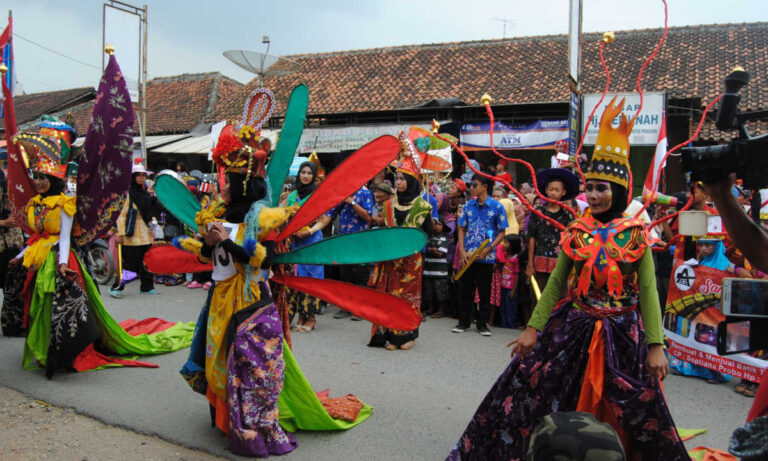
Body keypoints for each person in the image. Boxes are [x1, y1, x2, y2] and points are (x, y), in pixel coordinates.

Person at [448, 97, 689, 460]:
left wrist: (657, 345)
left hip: (624, 333)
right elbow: (557, 283)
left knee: (632, 410)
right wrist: (532, 328)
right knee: (536, 389)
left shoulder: (636, 233)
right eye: (590, 187)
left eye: (602, 188)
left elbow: (650, 293)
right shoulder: (577, 230)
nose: (594, 195)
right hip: (574, 325)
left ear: (619, 190)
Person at [6, 125, 192, 378]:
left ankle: (65, 353)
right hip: (38, 259)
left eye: (44, 178)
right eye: (37, 177)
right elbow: (35, 237)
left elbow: (63, 237)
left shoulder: (64, 204)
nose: (39, 182)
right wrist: (19, 258)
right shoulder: (35, 204)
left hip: (60, 260)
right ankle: (44, 350)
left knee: (59, 309)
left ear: (55, 180)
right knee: (39, 308)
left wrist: (62, 264)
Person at [179, 122, 296, 457]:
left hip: (250, 302)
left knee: (247, 366)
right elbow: (208, 256)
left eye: (227, 180)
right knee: (214, 359)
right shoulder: (217, 212)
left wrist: (226, 241)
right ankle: (221, 417)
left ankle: (247, 425)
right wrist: (207, 243)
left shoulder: (263, 217)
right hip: (218, 299)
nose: (222, 186)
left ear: (243, 183)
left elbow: (262, 262)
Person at [368, 164, 433, 350]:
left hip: (411, 261)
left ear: (412, 181)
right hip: (390, 259)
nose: (399, 182)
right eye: (397, 178)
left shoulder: (423, 206)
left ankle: (407, 335)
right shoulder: (388, 205)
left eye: (403, 178)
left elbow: (428, 234)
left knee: (409, 298)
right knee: (389, 296)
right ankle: (390, 334)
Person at [453, 174, 508, 337]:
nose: (471, 188)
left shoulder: (497, 207)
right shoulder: (468, 205)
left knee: (484, 290)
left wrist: (490, 248)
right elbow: (461, 228)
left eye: (474, 184)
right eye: (470, 185)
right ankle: (463, 321)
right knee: (465, 289)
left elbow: (502, 231)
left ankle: (482, 324)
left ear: (484, 187)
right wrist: (461, 251)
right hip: (468, 254)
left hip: (486, 255)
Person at [317, 185, 374, 320]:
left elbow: (368, 217)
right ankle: (346, 307)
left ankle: (360, 309)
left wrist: (352, 202)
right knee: (345, 274)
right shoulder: (342, 190)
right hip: (343, 240)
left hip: (360, 241)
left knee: (360, 275)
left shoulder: (365, 193)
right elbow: (330, 214)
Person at [109, 161, 159, 298]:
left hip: (146, 233)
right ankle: (117, 287)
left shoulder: (144, 193)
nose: (142, 178)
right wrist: (119, 234)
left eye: (144, 175)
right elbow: (121, 215)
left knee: (147, 261)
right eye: (139, 175)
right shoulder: (127, 194)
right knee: (131, 264)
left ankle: (147, 286)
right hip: (132, 234)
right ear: (133, 177)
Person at [525, 168, 578, 293]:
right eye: (551, 189)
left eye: (557, 190)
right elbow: (531, 237)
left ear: (563, 192)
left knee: (560, 298)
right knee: (539, 297)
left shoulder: (568, 216)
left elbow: (571, 242)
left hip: (560, 266)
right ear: (546, 191)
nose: (553, 192)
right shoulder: (538, 212)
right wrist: (530, 264)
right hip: (539, 263)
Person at [285, 161, 324, 332]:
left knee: (311, 278)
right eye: (303, 172)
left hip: (312, 239)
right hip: (296, 241)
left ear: (314, 176)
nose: (306, 175)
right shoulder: (292, 196)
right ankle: (301, 315)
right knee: (297, 276)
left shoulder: (318, 195)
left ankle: (311, 318)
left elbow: (324, 220)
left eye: (309, 173)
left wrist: (309, 232)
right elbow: (285, 217)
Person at [0, 169, 25, 335]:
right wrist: (2, 222)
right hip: (6, 239)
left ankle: (12, 326)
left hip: (13, 241)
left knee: (13, 287)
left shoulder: (11, 178)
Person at [422, 218, 450, 318]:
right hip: (428, 268)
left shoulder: (445, 239)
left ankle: (441, 310)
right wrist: (434, 248)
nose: (436, 226)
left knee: (440, 291)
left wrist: (429, 249)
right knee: (429, 290)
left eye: (439, 224)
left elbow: (440, 253)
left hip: (440, 270)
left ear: (443, 227)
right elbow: (423, 248)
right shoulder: (429, 237)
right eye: (435, 224)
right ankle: (430, 308)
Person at [496, 234, 522, 329]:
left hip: (510, 288)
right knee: (502, 306)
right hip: (503, 286)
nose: (503, 244)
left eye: (506, 242)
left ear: (512, 245)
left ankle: (510, 325)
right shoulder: (504, 256)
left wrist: (513, 290)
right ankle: (504, 324)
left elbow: (516, 274)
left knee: (510, 307)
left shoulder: (515, 259)